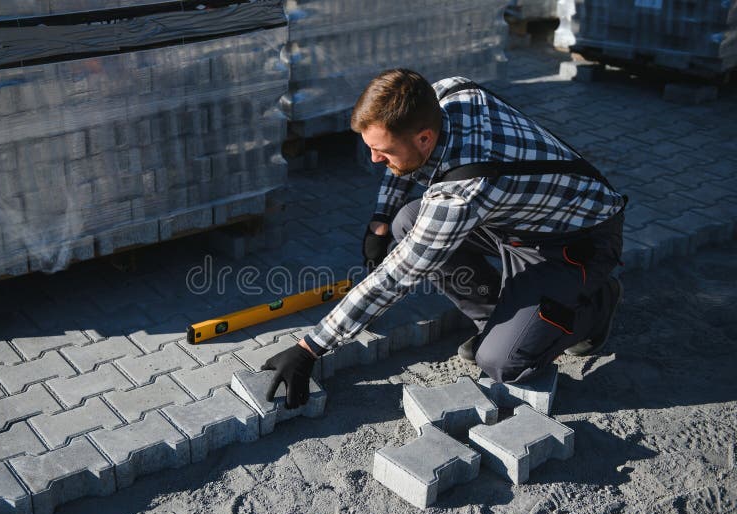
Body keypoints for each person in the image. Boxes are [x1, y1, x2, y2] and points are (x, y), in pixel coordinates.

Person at [262, 69, 626, 409]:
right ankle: (495, 322)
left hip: (574, 242)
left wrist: (309, 348)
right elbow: (404, 161)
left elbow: (395, 277)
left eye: (382, 151)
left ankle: (596, 307)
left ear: (424, 138)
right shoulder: (449, 93)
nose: (374, 159)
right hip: (516, 216)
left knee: (502, 363)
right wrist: (381, 220)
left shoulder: (462, 195)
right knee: (407, 221)